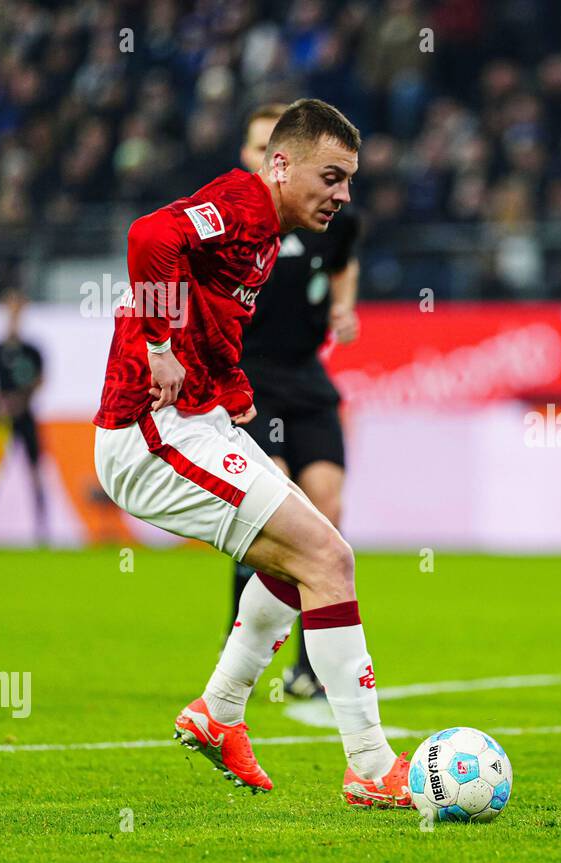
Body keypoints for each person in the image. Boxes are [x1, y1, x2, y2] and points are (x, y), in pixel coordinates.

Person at [92, 98, 410, 808]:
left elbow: (219, 316)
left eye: (349, 180)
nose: (342, 195)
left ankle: (219, 711)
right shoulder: (241, 203)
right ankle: (368, 765)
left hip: (201, 419)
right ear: (280, 164)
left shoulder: (266, 234)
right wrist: (157, 342)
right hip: (150, 431)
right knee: (330, 560)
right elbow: (149, 236)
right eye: (331, 177)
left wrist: (233, 385)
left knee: (312, 558)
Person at [228, 103, 361, 699]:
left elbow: (344, 261)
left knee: (327, 508)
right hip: (252, 377)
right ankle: (242, 652)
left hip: (307, 377)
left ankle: (307, 663)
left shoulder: (323, 223)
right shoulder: (240, 224)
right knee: (280, 510)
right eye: (257, 149)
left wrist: (343, 306)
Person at [0, 288, 48, 545]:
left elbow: (40, 381)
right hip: (2, 419)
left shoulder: (32, 350)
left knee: (35, 469)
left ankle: (42, 530)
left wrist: (21, 401)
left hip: (25, 415)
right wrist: (1, 402)